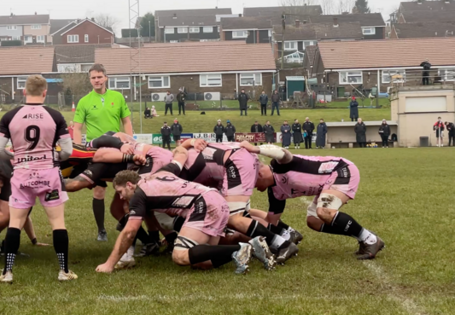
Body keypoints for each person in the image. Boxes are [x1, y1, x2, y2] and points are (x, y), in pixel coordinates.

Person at [96, 149, 273, 274]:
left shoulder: (138, 194)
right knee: (201, 262)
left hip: (204, 205)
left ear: (129, 185)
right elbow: (180, 156)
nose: (120, 197)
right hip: (215, 199)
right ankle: (249, 248)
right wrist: (185, 144)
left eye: (120, 192)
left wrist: (109, 264)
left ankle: (243, 248)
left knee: (180, 256)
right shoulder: (160, 173)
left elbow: (130, 231)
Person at [0, 74, 76, 282]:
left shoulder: (10, 116)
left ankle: (7, 272)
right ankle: (64, 271)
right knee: (57, 222)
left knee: (15, 223)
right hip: (49, 173)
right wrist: (51, 155)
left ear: (24, 92)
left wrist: (17, 156)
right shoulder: (55, 115)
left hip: (21, 174)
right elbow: (67, 151)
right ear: (45, 93)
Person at [247, 143, 385, 260]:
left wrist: (257, 149)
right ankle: (362, 235)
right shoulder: (274, 191)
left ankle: (370, 239)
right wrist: (247, 216)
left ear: (259, 174)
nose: (252, 187)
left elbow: (283, 153)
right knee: (314, 221)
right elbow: (271, 222)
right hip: (326, 184)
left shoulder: (279, 166)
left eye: (251, 182)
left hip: (340, 170)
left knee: (324, 211)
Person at [72, 63, 133, 242]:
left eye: (99, 77)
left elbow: (126, 121)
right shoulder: (85, 101)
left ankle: (125, 221)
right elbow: (77, 128)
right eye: (93, 78)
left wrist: (130, 141)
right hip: (96, 151)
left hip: (118, 149)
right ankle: (101, 230)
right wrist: (78, 152)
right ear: (90, 80)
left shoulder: (118, 97)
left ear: (106, 77)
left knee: (125, 188)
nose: (97, 80)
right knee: (98, 192)